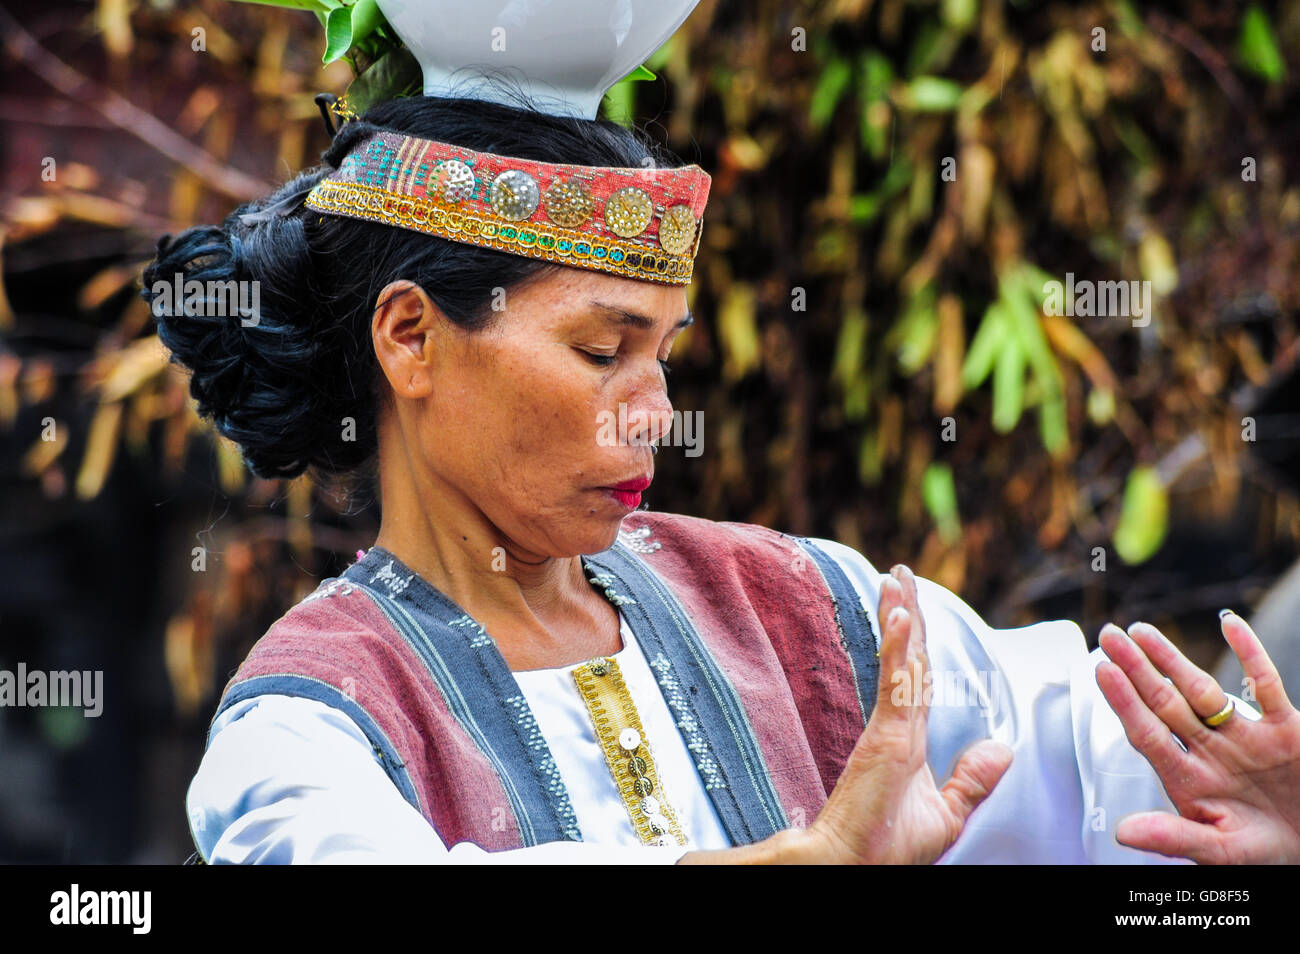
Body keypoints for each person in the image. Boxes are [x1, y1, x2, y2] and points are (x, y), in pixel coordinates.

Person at [148, 44, 1300, 867]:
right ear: (412, 339)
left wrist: (1255, 817)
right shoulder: (311, 723)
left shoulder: (815, 609)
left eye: (664, 351)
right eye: (601, 349)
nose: (653, 411)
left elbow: (1100, 773)